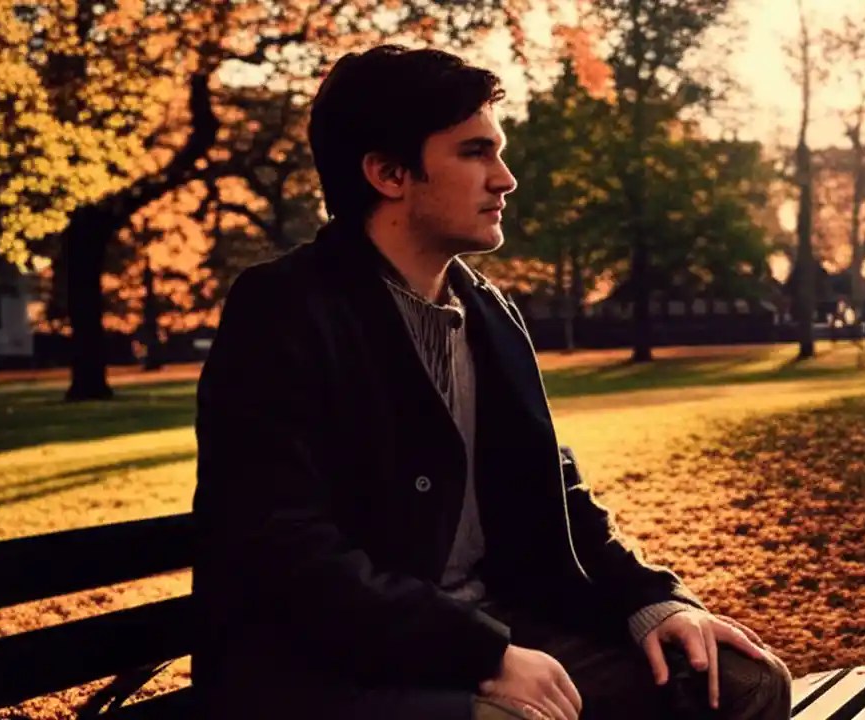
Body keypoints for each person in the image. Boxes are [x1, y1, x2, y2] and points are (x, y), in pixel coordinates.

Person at [192, 44, 793, 720]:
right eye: (476, 153)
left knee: (744, 682)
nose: (505, 179)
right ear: (389, 173)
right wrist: (481, 654)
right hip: (332, 670)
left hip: (499, 632)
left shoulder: (489, 311)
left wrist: (651, 601)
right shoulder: (284, 309)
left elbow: (558, 496)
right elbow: (287, 552)